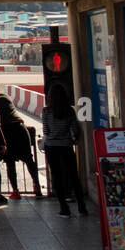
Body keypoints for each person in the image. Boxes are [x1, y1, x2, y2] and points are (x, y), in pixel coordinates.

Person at [0, 82, 42, 199]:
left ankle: (15, 191)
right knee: (28, 159)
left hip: (7, 132)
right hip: (20, 129)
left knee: (10, 162)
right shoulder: (6, 97)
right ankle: (37, 186)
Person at [41, 85, 88, 217]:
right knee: (74, 176)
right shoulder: (69, 111)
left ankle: (64, 209)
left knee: (57, 177)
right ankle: (82, 207)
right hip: (66, 146)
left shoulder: (46, 111)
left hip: (52, 147)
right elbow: (75, 130)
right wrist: (72, 141)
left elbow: (46, 131)